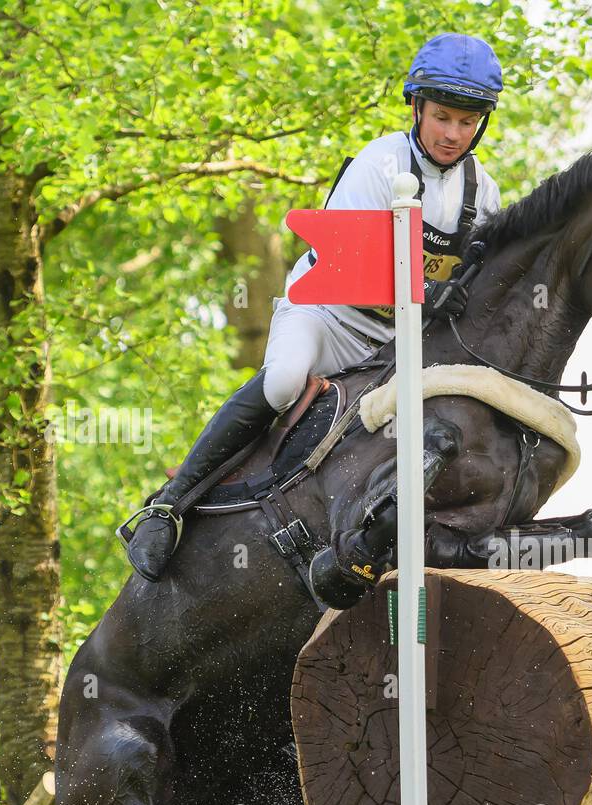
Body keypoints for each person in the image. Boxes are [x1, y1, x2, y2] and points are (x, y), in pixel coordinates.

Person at [122, 33, 506, 582]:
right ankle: (166, 507)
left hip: (397, 343)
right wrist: (423, 297)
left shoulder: (483, 193)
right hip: (329, 314)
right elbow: (343, 269)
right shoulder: (379, 163)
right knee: (281, 381)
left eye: (467, 122)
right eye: (443, 117)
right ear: (418, 107)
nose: (453, 134)